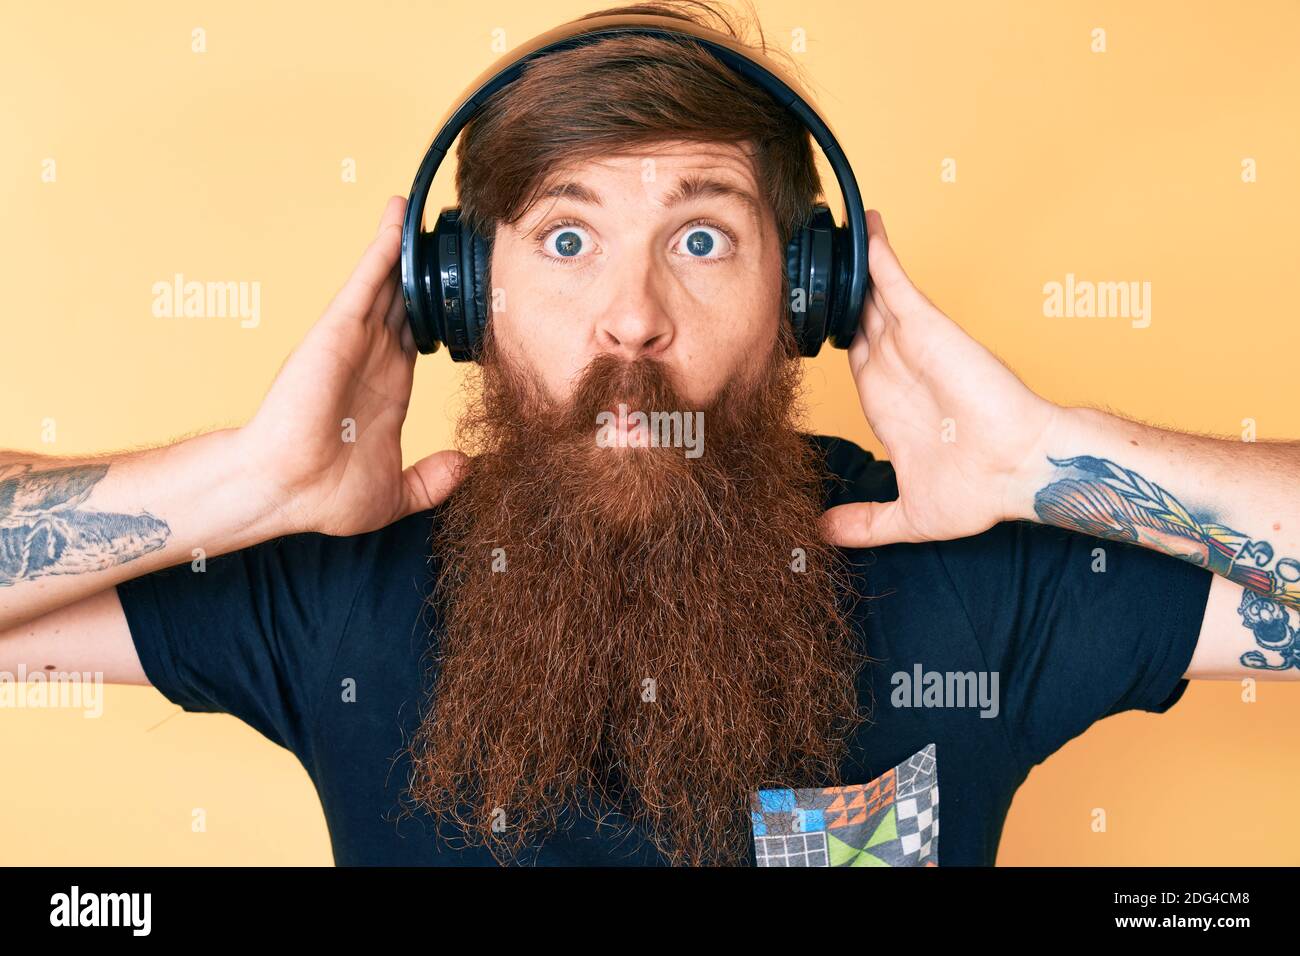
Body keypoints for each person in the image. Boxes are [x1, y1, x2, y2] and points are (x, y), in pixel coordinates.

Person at [1, 1, 1296, 867]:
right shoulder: (329, 581)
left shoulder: (976, 571)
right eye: (567, 240)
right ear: (462, 296)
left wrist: (1048, 460)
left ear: (809, 293)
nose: (631, 317)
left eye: (701, 237)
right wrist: (250, 478)